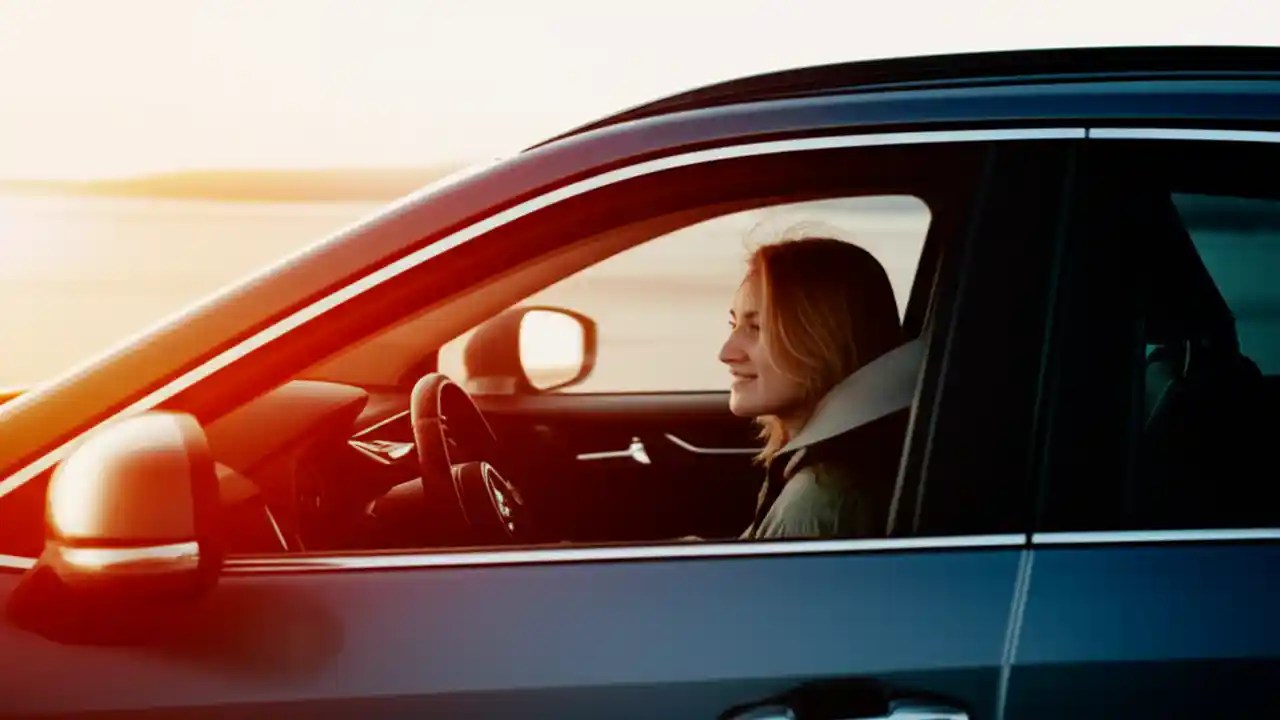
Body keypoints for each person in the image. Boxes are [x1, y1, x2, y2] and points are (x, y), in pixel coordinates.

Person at [719, 236, 909, 539]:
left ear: (824, 340)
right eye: (734, 326)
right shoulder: (813, 473)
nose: (727, 352)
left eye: (757, 327)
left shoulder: (818, 501)